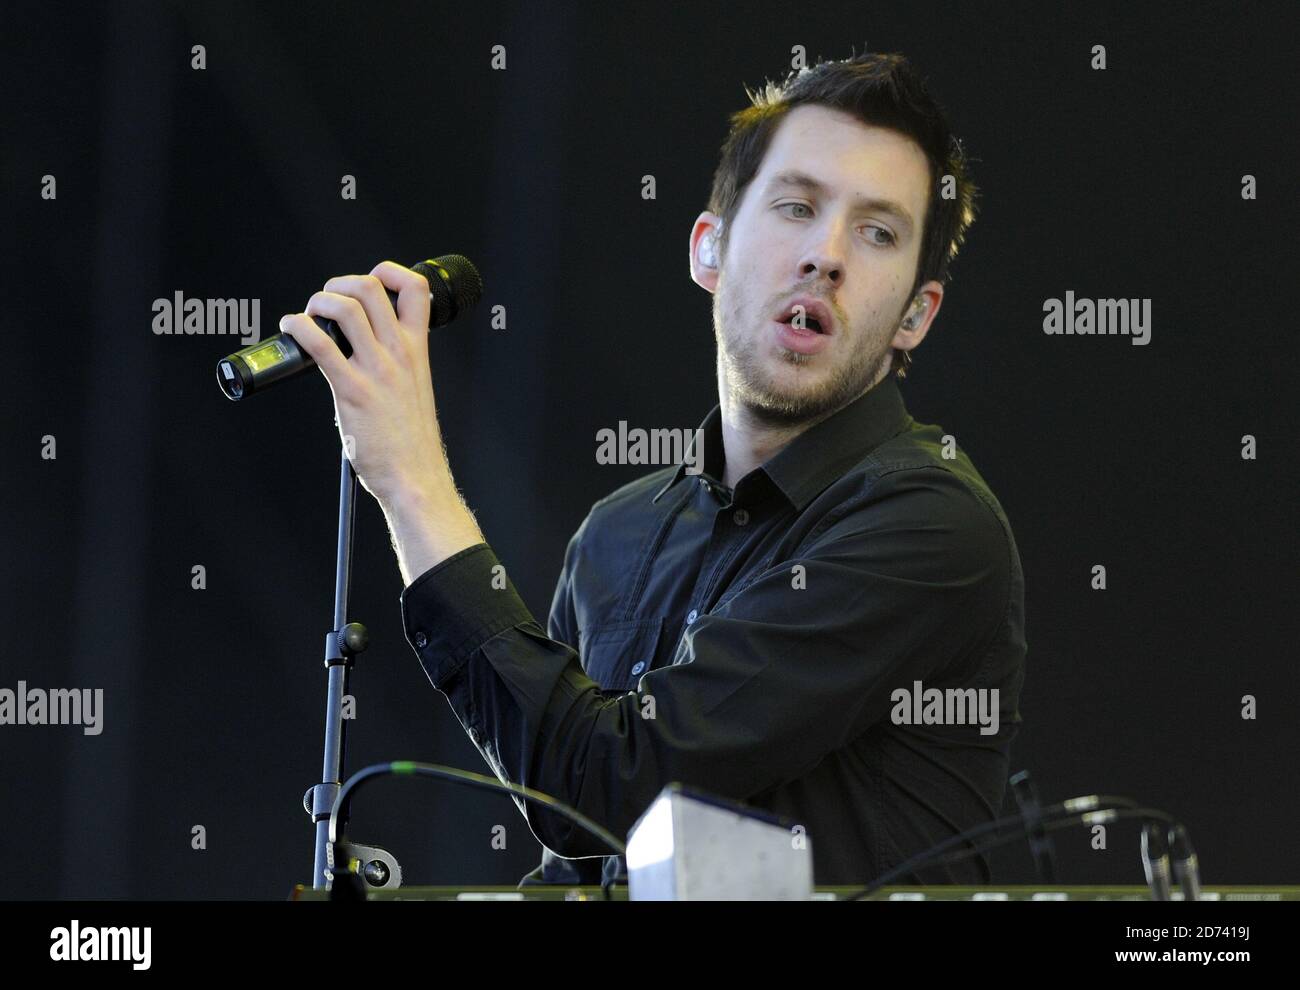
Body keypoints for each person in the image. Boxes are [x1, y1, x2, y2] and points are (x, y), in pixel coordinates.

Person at [279, 51, 1026, 890]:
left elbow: (608, 784)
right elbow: (583, 861)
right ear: (710, 250)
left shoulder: (931, 522)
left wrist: (410, 476)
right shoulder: (617, 536)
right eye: (796, 206)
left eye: (878, 231)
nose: (827, 253)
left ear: (916, 316)